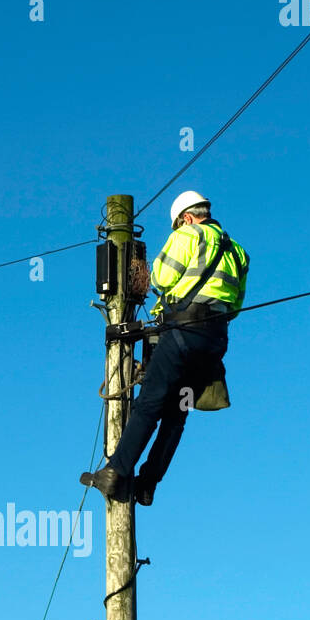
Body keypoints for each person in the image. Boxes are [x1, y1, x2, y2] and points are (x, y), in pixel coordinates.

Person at [81, 190, 249, 505]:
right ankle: (147, 484)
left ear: (185, 217)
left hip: (182, 334)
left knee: (150, 404)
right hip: (215, 341)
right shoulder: (238, 252)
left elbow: (161, 276)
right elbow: (236, 305)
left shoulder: (188, 235)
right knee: (177, 414)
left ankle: (115, 472)